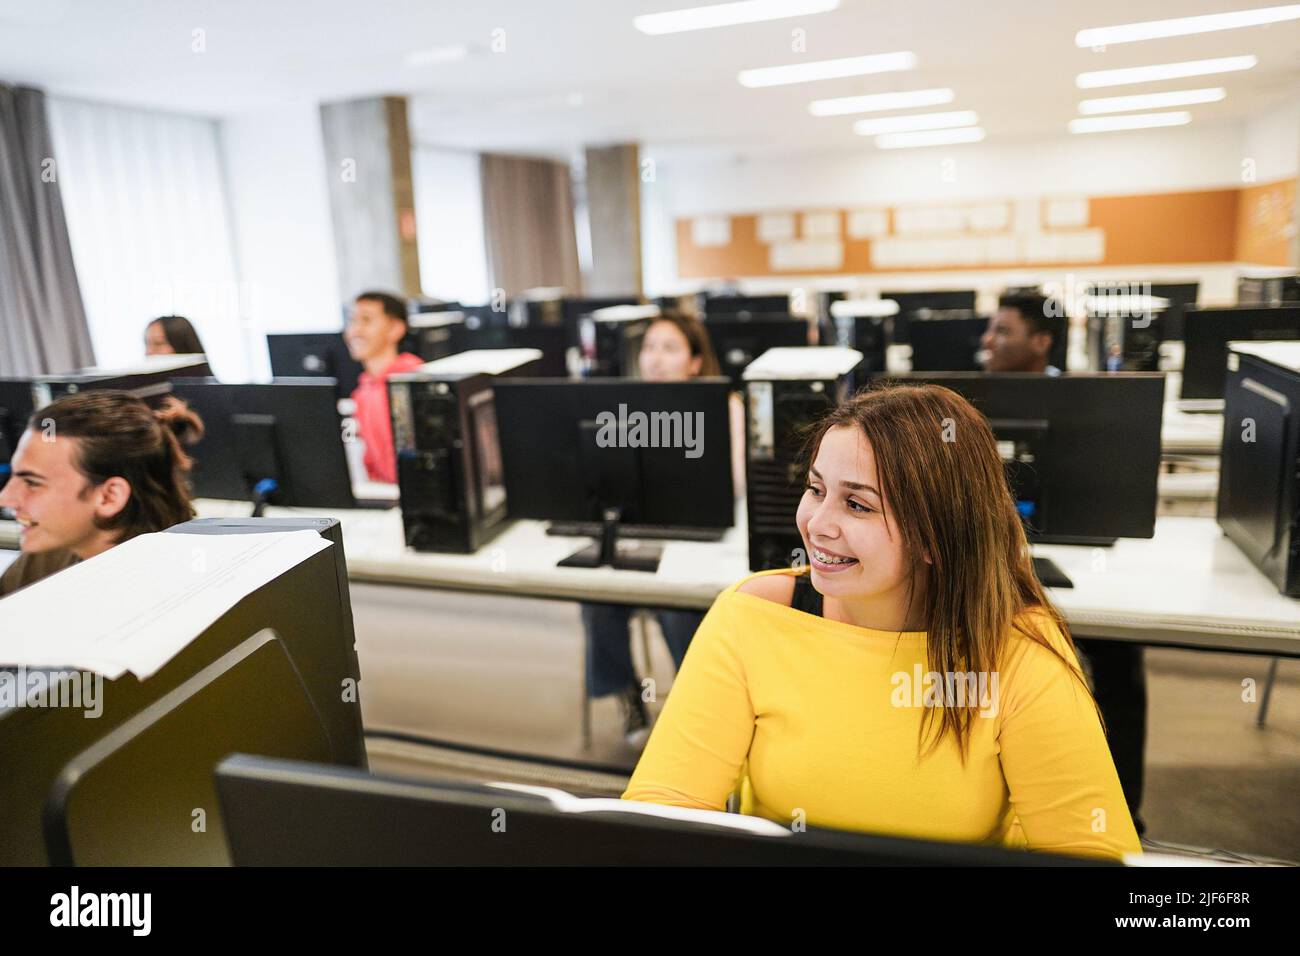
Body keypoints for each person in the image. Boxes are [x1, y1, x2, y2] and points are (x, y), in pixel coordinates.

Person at [623, 383, 1141, 860]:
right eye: (815, 489)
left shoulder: (1016, 647)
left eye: (857, 504)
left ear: (936, 535)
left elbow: (1091, 849)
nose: (817, 525)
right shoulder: (753, 617)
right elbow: (663, 810)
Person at [981, 290, 1148, 835]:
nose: (988, 340)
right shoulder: (964, 403)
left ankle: (1124, 808)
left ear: (1042, 341)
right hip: (983, 556)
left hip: (1082, 557)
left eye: (1003, 330)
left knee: (1119, 654)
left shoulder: (1089, 402)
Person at [584, 310, 746, 745]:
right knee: (596, 598)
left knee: (676, 606)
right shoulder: (623, 408)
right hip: (640, 535)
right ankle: (627, 695)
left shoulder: (725, 407)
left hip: (700, 541)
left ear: (696, 362)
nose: (655, 359)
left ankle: (698, 707)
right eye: (650, 347)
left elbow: (733, 486)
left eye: (669, 348)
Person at [0, 390, 204, 597]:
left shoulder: (172, 592)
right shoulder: (48, 555)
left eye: (32, 482)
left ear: (109, 497)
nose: (5, 498)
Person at [343, 290, 424, 484]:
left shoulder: (415, 381)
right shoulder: (363, 391)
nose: (355, 330)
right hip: (389, 498)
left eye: (367, 320)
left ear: (395, 329)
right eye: (352, 321)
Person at [979, 292, 1064, 375]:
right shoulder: (974, 388)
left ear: (1041, 342)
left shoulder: (1066, 388)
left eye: (1002, 331)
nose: (986, 340)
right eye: (989, 330)